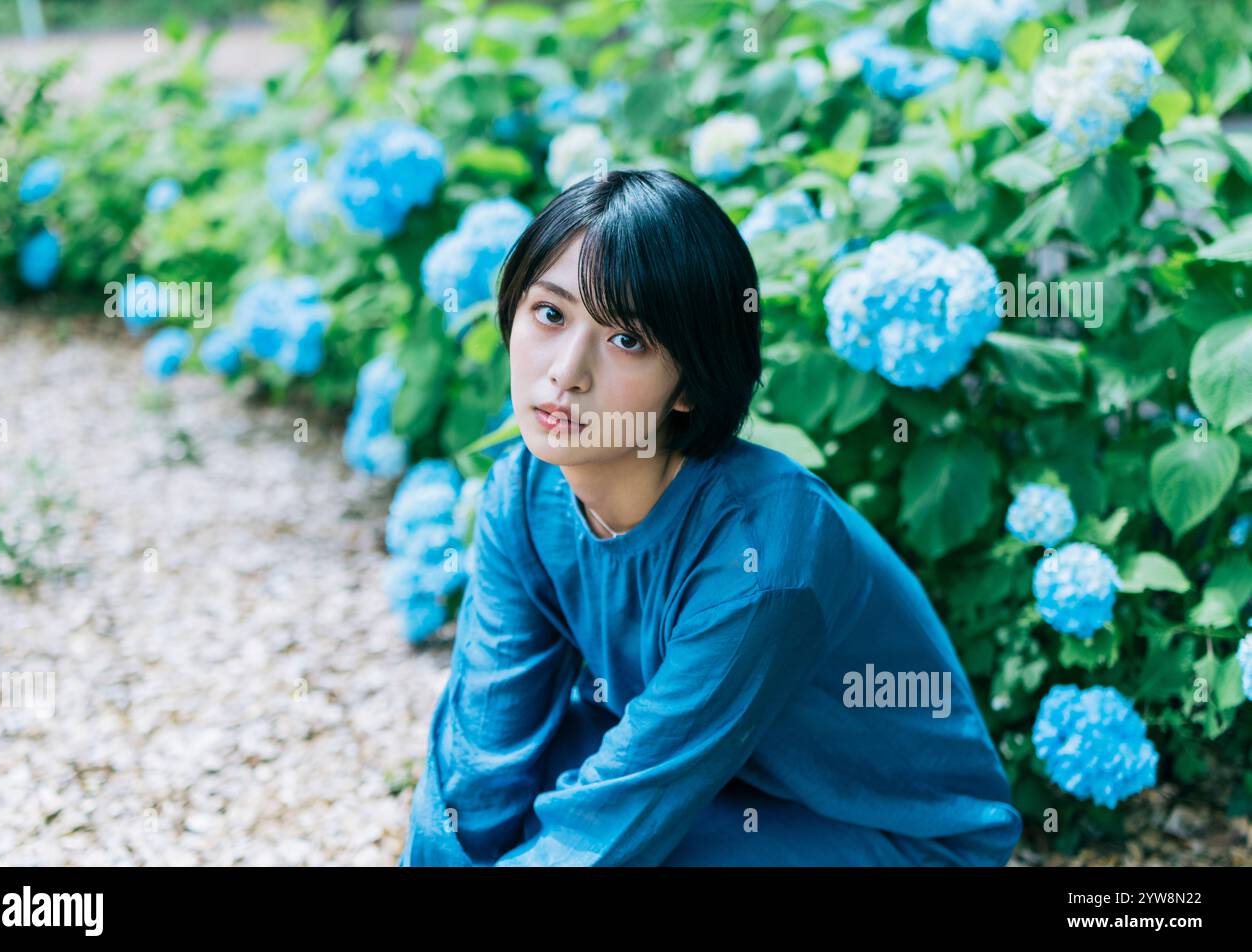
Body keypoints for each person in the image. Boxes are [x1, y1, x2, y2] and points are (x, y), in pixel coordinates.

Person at [399, 168, 1022, 866]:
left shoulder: (764, 553)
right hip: (709, 777)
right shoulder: (521, 493)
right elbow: (481, 754)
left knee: (626, 835)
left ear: (691, 385)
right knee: (519, 773)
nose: (566, 371)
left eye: (626, 340)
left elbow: (626, 807)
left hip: (878, 830)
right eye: (550, 314)